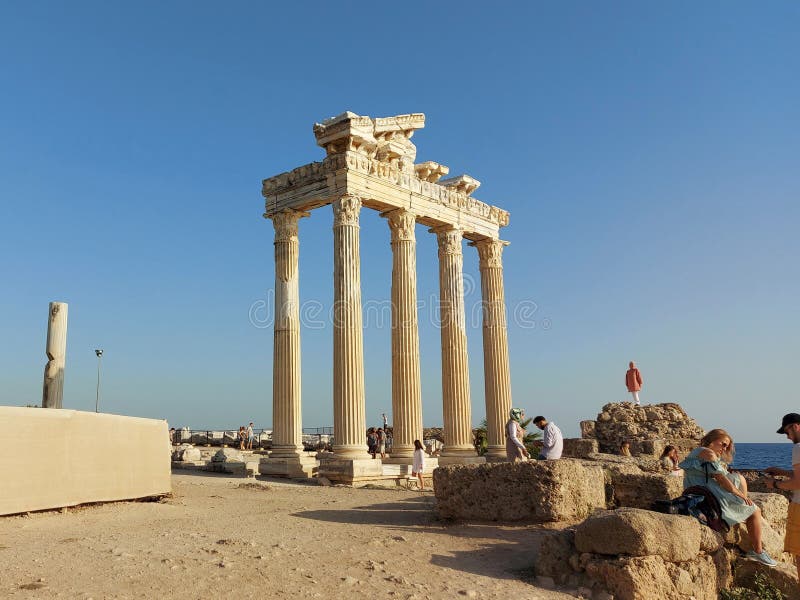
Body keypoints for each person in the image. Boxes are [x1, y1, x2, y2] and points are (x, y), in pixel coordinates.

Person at [679, 428, 777, 566]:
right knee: (755, 510)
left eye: (727, 446)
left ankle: (742, 510)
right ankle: (758, 551)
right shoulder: (708, 453)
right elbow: (721, 479)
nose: (724, 448)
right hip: (706, 493)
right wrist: (740, 494)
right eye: (723, 444)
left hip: (697, 490)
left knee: (739, 480)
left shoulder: (700, 452)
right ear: (712, 440)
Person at [765, 413, 800, 579]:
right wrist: (783, 472)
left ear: (795, 426)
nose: (787, 437)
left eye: (787, 432)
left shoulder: (798, 448)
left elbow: (798, 484)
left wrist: (775, 484)